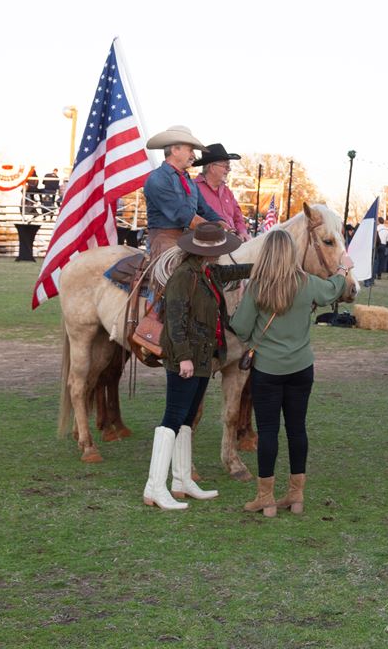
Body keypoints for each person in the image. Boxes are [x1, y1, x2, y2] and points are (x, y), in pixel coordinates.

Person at [231, 231, 353, 516]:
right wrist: (344, 268)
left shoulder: (258, 287)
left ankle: (266, 498)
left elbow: (240, 327)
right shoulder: (308, 283)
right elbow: (334, 288)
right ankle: (296, 496)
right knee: (297, 429)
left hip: (268, 370)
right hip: (301, 368)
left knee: (269, 431)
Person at [143, 223, 252, 511]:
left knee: (187, 418)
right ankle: (154, 486)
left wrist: (268, 263)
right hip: (188, 357)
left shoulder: (208, 272)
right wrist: (183, 358)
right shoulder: (183, 276)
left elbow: (236, 272)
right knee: (173, 417)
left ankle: (181, 481)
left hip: (205, 356)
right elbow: (175, 320)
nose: (219, 255)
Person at [143, 125, 225, 257]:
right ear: (175, 150)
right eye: (191, 150)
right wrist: (215, 230)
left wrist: (223, 224)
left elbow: (205, 210)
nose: (194, 155)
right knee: (179, 273)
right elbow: (182, 214)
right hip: (164, 241)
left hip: (190, 239)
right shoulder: (157, 179)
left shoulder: (189, 182)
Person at [194, 143, 251, 241]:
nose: (228, 170)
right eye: (226, 166)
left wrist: (242, 231)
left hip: (233, 243)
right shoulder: (193, 188)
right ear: (212, 167)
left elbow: (238, 216)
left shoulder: (227, 191)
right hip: (208, 245)